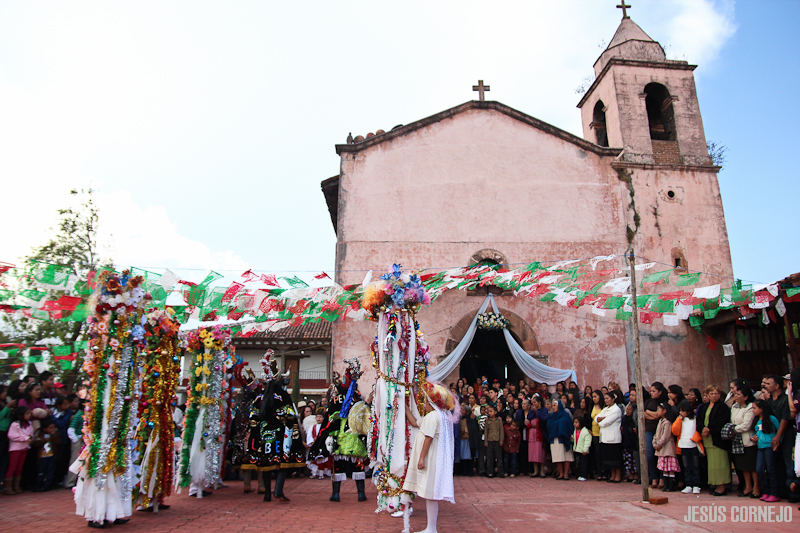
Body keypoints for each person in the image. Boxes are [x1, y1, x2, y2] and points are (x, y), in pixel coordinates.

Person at [402, 381, 457, 533]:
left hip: (431, 458)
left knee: (430, 493)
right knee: (430, 494)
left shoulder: (433, 416)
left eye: (426, 401)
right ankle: (430, 527)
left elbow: (428, 437)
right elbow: (414, 422)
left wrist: (421, 458)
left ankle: (431, 528)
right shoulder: (441, 415)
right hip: (434, 457)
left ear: (432, 403)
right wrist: (404, 407)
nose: (424, 404)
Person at [763, 374, 795, 499]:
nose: (766, 386)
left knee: (788, 462)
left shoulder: (785, 399)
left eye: (769, 384)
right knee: (776, 463)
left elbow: (785, 419)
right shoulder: (769, 401)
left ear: (777, 386)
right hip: (773, 435)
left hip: (786, 434)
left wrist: (778, 436)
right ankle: (779, 491)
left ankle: (792, 492)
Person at [698, 385, 731, 495]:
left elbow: (721, 420)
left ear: (720, 395)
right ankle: (715, 484)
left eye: (716, 394)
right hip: (706, 438)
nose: (714, 396)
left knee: (720, 462)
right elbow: (699, 420)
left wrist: (709, 429)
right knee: (711, 463)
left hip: (717, 438)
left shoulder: (723, 407)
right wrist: (702, 428)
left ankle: (722, 485)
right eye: (711, 394)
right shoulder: (704, 407)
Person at [730, 382, 757, 497]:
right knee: (743, 466)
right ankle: (748, 486)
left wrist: (734, 429)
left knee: (751, 466)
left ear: (745, 396)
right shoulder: (734, 407)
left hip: (748, 439)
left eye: (738, 394)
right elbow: (732, 420)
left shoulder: (750, 407)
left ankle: (756, 487)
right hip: (737, 440)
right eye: (735, 394)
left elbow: (746, 425)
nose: (735, 396)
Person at [751, 399, 780, 502]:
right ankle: (766, 491)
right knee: (759, 469)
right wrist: (753, 437)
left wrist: (777, 441)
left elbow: (779, 430)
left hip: (769, 447)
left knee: (770, 469)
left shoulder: (771, 419)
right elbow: (755, 432)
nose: (753, 410)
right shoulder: (756, 421)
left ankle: (774, 493)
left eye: (755, 408)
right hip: (760, 447)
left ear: (762, 409)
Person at [676, 400, 702, 494]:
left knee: (695, 466)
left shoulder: (695, 419)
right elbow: (675, 430)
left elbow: (698, 429)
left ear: (689, 411)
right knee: (686, 466)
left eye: (683, 411)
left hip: (693, 445)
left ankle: (696, 485)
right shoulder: (681, 420)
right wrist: (679, 418)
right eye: (680, 411)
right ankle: (688, 485)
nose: (681, 413)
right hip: (683, 446)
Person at [5, 406, 33, 495]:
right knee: (12, 467)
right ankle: (7, 487)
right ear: (21, 415)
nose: (29, 415)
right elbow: (11, 436)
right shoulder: (15, 424)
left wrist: (30, 438)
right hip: (16, 448)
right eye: (27, 414)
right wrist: (25, 438)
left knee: (19, 467)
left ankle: (16, 486)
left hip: (24, 448)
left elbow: (31, 433)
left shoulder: (29, 423)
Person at [596, 391, 623, 483]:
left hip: (614, 438)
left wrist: (603, 419)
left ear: (613, 399)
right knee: (609, 459)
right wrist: (602, 419)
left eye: (608, 398)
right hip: (605, 438)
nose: (606, 400)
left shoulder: (616, 410)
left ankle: (618, 475)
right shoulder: (605, 409)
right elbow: (597, 418)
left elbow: (605, 423)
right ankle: (612, 475)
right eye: (605, 398)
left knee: (615, 459)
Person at [644, 382, 667, 488]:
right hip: (648, 429)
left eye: (654, 391)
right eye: (651, 391)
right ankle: (654, 477)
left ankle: (662, 478)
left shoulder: (663, 402)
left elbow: (659, 415)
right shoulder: (648, 402)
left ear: (660, 392)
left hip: (660, 430)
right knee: (649, 455)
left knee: (661, 455)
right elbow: (644, 413)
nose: (652, 393)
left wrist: (650, 413)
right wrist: (652, 414)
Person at [652, 403, 679, 492]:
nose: (657, 412)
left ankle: (671, 485)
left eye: (659, 409)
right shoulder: (660, 421)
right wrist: (654, 442)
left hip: (667, 448)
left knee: (670, 467)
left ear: (664, 411)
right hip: (661, 448)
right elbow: (656, 434)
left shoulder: (667, 422)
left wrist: (658, 444)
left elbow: (665, 436)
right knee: (664, 467)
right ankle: (666, 484)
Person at [546, 400, 573, 481]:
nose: (553, 407)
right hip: (555, 438)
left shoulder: (565, 415)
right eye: (552, 405)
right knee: (558, 456)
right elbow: (549, 426)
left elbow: (569, 426)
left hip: (565, 438)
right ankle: (560, 473)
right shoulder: (552, 416)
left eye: (554, 405)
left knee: (567, 456)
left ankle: (566, 474)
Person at [31, 417, 60, 492]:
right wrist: (44, 441)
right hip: (42, 457)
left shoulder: (56, 434)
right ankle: (37, 486)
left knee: (50, 472)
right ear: (44, 429)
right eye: (50, 428)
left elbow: (58, 442)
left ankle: (47, 486)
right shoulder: (40, 435)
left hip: (51, 456)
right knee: (41, 472)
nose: (52, 429)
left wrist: (53, 436)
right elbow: (35, 444)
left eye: (53, 428)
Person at [306, 408, 332, 479]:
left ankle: (321, 473)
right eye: (317, 417)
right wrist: (311, 442)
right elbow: (309, 435)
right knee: (314, 460)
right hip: (315, 445)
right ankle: (314, 473)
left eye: (320, 417)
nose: (318, 419)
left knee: (322, 460)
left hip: (322, 446)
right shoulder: (313, 427)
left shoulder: (325, 426)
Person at [527, 396, 547, 478]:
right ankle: (535, 470)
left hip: (540, 433)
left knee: (540, 452)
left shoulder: (543, 410)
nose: (534, 404)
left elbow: (544, 419)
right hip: (532, 433)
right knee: (533, 452)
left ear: (539, 402)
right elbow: (528, 420)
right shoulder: (531, 412)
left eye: (535, 402)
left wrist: (537, 411)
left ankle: (542, 470)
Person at [483, 405, 504, 478]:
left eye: (491, 411)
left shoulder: (499, 421)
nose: (489, 413)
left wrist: (501, 440)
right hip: (490, 440)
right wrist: (486, 441)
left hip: (497, 440)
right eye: (488, 411)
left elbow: (501, 431)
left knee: (499, 458)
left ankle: (501, 472)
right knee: (489, 458)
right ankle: (490, 472)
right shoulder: (488, 421)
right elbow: (486, 432)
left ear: (495, 412)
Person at [590, 390, 606, 481]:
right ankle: (599, 472)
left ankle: (605, 472)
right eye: (593, 397)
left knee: (603, 452)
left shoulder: (604, 407)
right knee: (597, 453)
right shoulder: (592, 406)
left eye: (596, 396)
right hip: (594, 433)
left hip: (603, 432)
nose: (594, 398)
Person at [572, 416, 591, 481]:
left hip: (583, 451)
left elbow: (587, 441)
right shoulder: (575, 431)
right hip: (578, 449)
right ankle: (579, 474)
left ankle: (584, 475)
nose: (574, 424)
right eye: (574, 422)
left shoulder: (585, 431)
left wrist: (585, 450)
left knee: (584, 464)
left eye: (576, 422)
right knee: (579, 463)